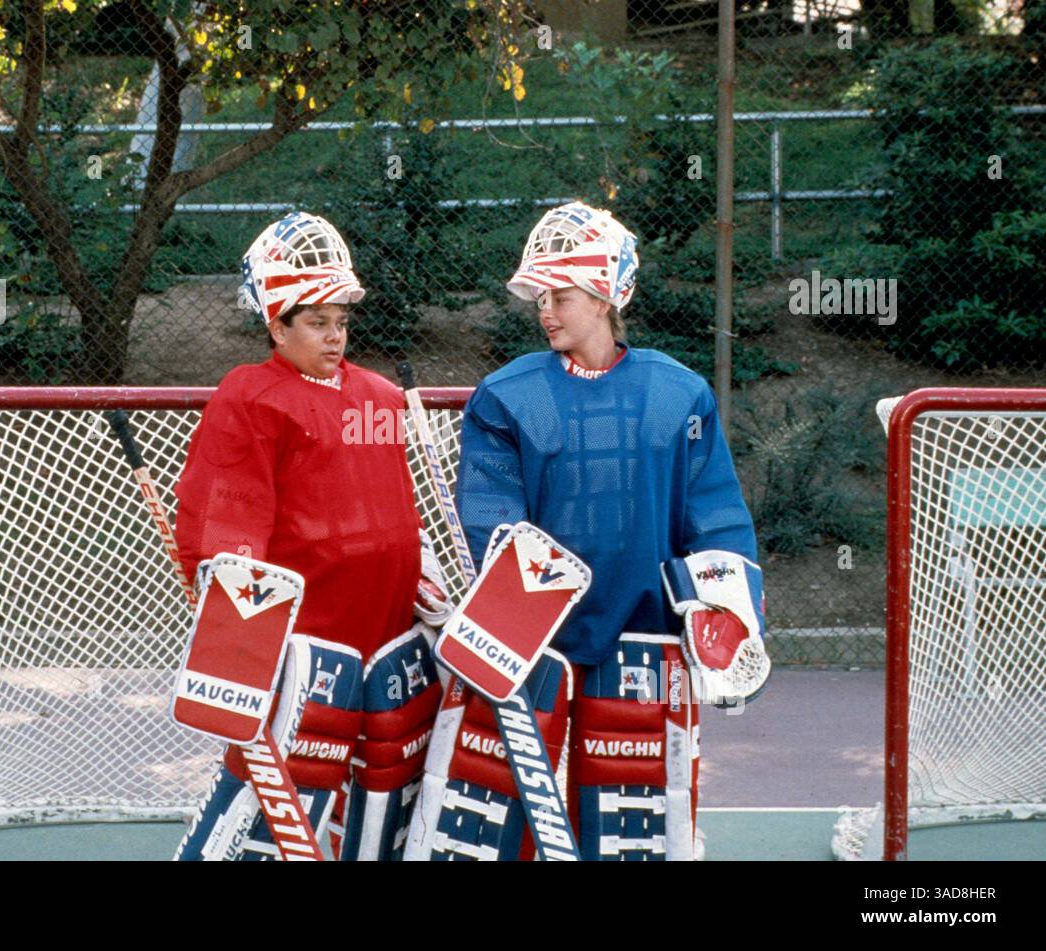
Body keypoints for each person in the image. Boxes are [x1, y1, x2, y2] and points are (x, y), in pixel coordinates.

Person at [439, 200, 768, 860]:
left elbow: (716, 517)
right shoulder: (505, 396)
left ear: (604, 294)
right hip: (534, 643)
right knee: (495, 828)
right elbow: (490, 516)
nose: (545, 309)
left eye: (560, 294)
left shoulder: (680, 394)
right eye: (540, 296)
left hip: (643, 637)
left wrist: (728, 607)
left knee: (635, 831)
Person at [172, 211, 450, 861]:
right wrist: (237, 639)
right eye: (317, 322)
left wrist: (423, 574)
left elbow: (395, 516)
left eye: (342, 321)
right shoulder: (251, 397)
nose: (334, 336)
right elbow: (225, 530)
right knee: (268, 803)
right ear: (277, 323)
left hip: (384, 643)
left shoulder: (380, 397)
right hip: (302, 652)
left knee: (381, 807)